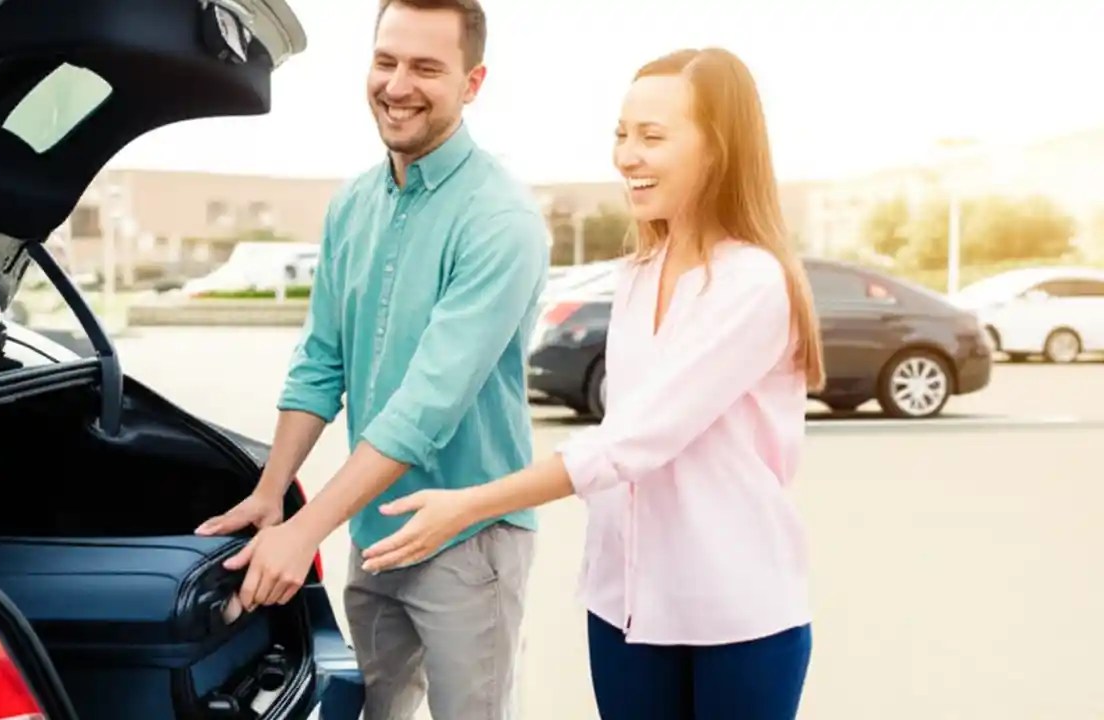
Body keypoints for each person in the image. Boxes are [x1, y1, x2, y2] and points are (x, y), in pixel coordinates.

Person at [359, 47, 827, 720]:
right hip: (623, 604)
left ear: (719, 150)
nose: (627, 156)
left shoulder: (754, 283)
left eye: (652, 137)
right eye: (621, 134)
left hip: (737, 614)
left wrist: (471, 504)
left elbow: (633, 443)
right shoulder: (638, 273)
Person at [195, 1, 548, 718]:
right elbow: (321, 360)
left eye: (426, 67)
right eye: (385, 61)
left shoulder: (500, 221)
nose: (397, 85)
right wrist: (273, 491)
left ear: (472, 82)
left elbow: (424, 407)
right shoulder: (354, 203)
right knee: (374, 710)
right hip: (374, 527)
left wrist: (305, 529)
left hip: (468, 536)